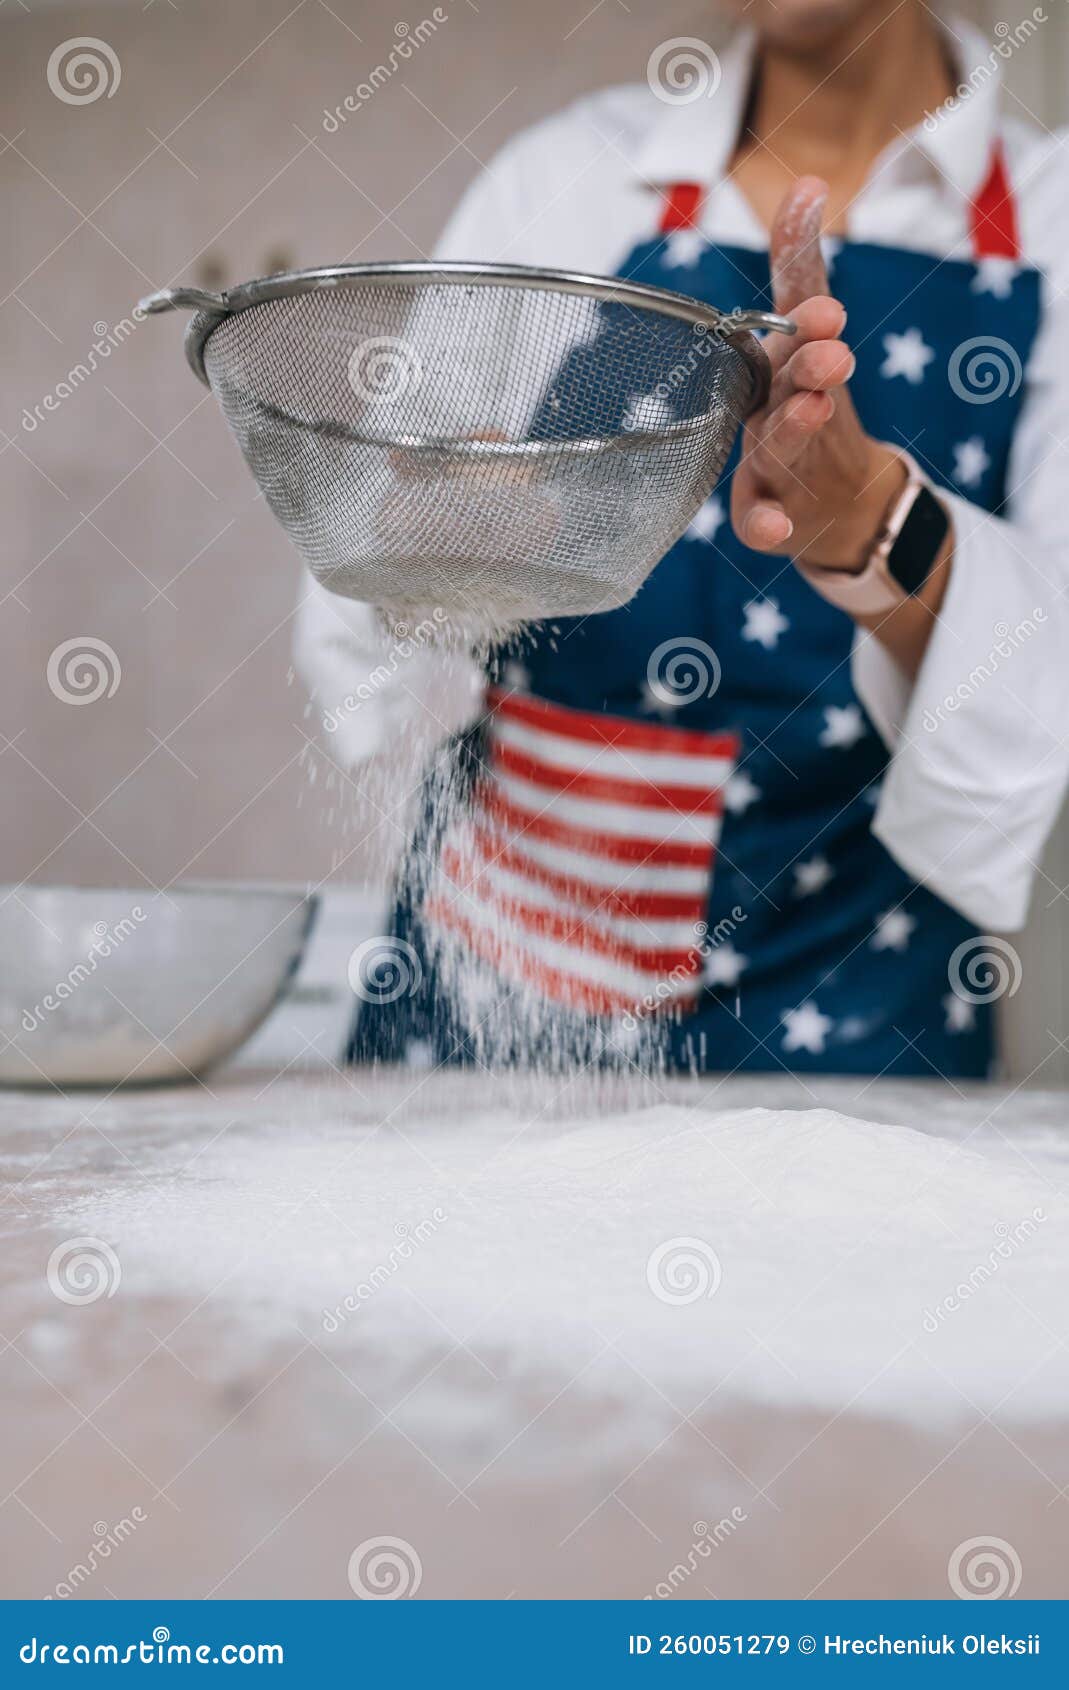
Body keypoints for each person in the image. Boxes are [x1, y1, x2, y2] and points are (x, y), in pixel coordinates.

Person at [296, 0, 1069, 1076]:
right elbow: (368, 585)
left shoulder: (1054, 218)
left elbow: (1048, 667)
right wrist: (450, 533)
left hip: (851, 984)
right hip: (503, 965)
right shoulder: (567, 176)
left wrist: (864, 522)